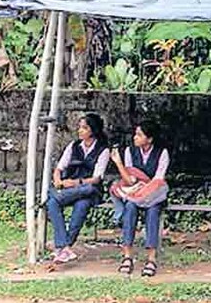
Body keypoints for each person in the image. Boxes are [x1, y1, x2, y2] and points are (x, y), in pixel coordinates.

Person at [46, 113, 109, 264]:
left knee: (83, 198)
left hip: (89, 190)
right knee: (53, 203)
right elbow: (59, 168)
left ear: (92, 130)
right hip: (71, 191)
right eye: (79, 127)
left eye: (84, 128)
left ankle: (61, 246)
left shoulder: (103, 150)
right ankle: (65, 248)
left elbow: (97, 178)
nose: (80, 131)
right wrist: (58, 181)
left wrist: (73, 183)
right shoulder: (73, 146)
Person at [109, 120, 170, 278]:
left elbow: (158, 180)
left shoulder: (162, 153)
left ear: (149, 139)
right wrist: (118, 163)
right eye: (135, 134)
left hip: (153, 194)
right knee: (130, 207)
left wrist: (142, 188)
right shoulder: (130, 151)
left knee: (153, 211)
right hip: (135, 194)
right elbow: (129, 180)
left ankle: (151, 259)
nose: (135, 137)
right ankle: (127, 256)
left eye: (139, 135)